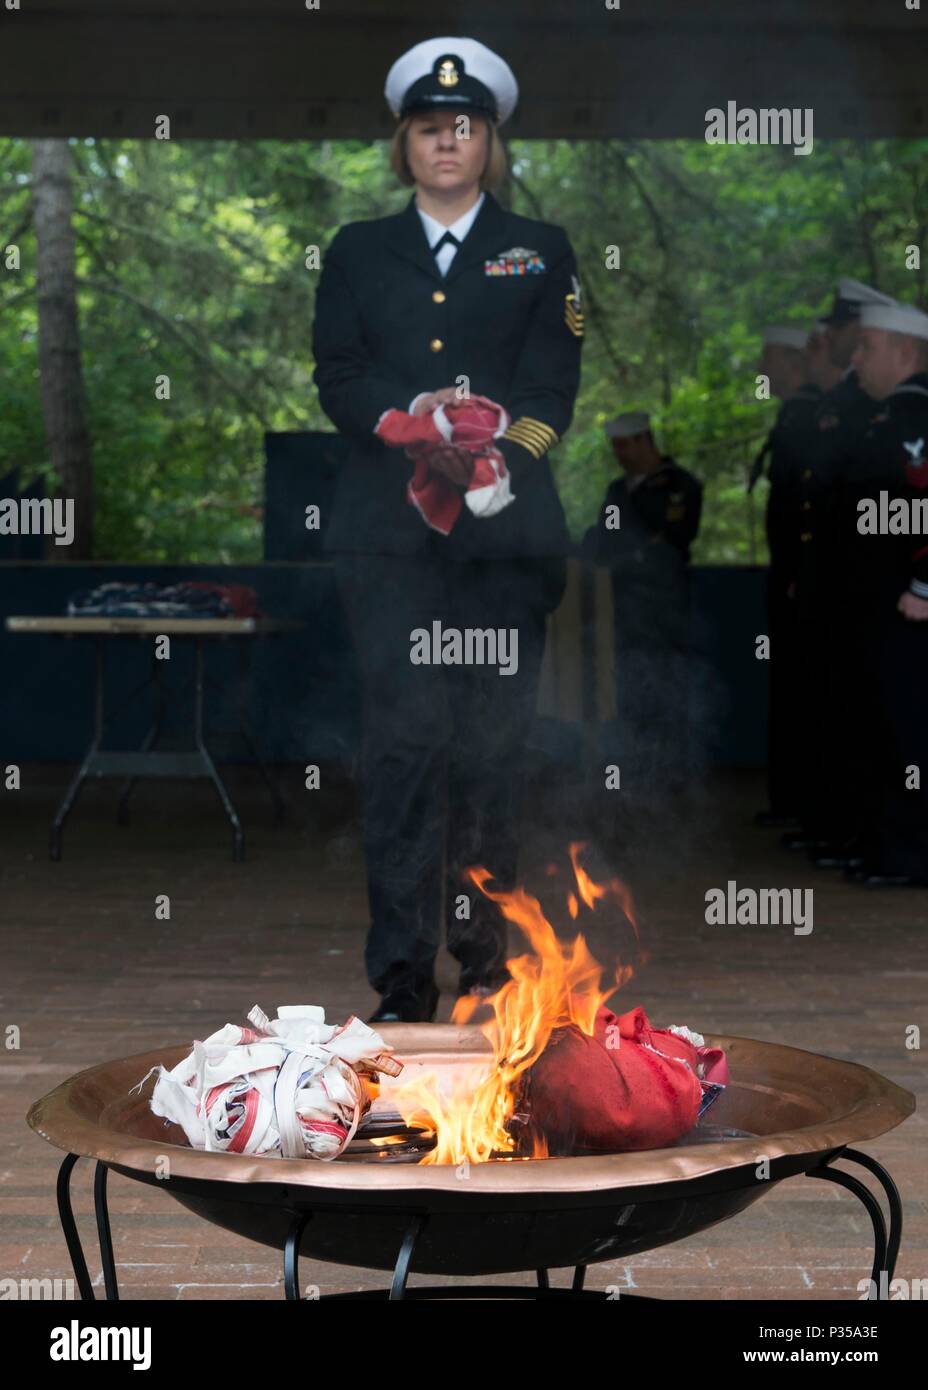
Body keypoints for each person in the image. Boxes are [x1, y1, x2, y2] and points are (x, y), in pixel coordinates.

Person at [312, 37, 583, 1022]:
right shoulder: (353, 251)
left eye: (463, 127)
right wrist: (410, 414)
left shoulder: (541, 249)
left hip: (500, 546)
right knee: (400, 753)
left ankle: (482, 965)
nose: (445, 141)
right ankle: (397, 977)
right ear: (404, 142)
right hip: (389, 551)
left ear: (489, 142)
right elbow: (337, 375)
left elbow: (555, 385)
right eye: (428, 127)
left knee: (490, 754)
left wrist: (499, 443)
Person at [784, 279, 895, 862]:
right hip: (837, 579)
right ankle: (848, 827)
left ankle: (871, 833)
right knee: (838, 710)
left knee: (872, 716)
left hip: (872, 586)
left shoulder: (889, 407)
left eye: (850, 334)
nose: (836, 344)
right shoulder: (846, 401)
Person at [839, 301, 928, 886]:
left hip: (910, 604)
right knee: (887, 727)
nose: (856, 358)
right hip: (886, 601)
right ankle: (890, 847)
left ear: (905, 350)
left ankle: (911, 853)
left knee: (910, 730)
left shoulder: (915, 416)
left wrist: (924, 584)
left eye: (867, 346)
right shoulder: (888, 416)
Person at [584, 412, 702, 800]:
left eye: (624, 445)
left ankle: (671, 787)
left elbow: (670, 544)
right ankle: (628, 784)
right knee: (629, 699)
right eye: (614, 447)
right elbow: (603, 540)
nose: (619, 455)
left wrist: (628, 558)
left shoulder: (680, 486)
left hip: (663, 613)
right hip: (624, 613)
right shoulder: (618, 492)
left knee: (666, 699)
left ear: (643, 440)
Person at [748, 325, 819, 827]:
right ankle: (793, 804)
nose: (761, 373)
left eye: (769, 361)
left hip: (807, 580)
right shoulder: (793, 414)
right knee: (792, 694)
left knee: (809, 696)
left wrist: (800, 572)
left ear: (795, 363)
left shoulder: (812, 413)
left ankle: (806, 807)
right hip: (792, 575)